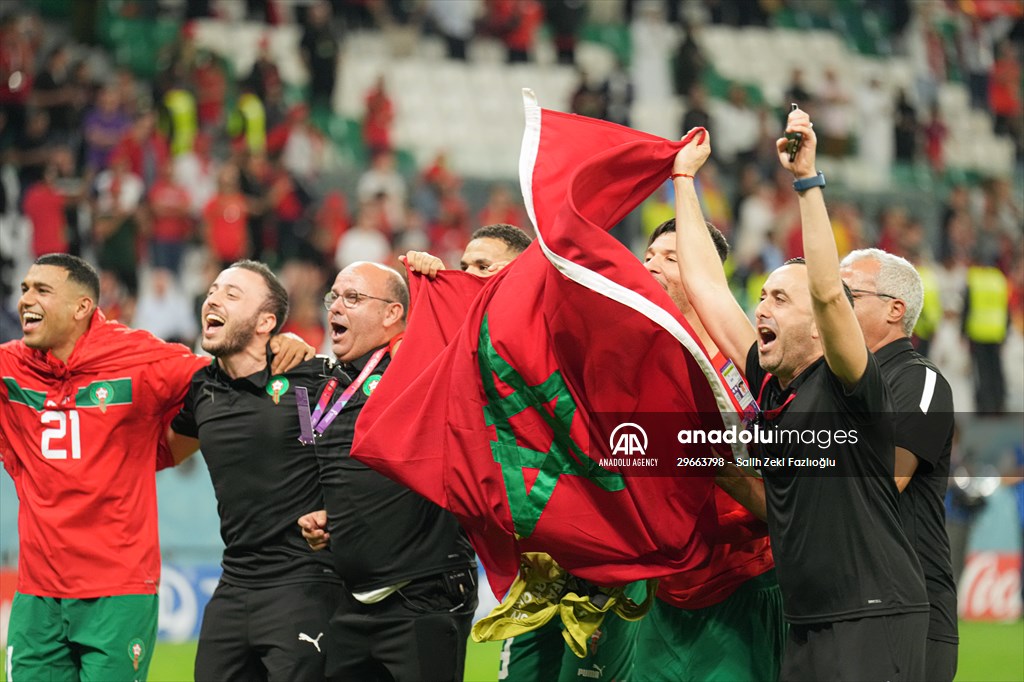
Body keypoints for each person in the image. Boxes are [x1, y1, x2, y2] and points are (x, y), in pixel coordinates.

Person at [673, 114, 928, 680]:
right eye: (763, 296)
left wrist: (807, 181)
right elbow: (706, 286)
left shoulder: (848, 384)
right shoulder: (771, 383)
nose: (762, 307)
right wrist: (684, 180)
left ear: (819, 328)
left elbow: (830, 295)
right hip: (807, 619)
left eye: (781, 300)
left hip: (873, 616)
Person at [0, 254, 311, 680]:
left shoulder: (139, 358)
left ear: (81, 307)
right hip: (36, 592)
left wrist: (274, 346)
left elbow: (222, 377)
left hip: (117, 590)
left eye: (42, 290)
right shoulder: (9, 368)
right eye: (24, 289)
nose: (26, 299)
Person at [298, 261, 478, 682]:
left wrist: (437, 282)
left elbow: (472, 339)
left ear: (392, 313)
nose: (336, 307)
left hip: (423, 593)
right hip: (351, 598)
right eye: (334, 297)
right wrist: (326, 516)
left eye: (353, 298)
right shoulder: (328, 385)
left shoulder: (419, 369)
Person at [168, 260, 342, 681]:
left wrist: (340, 515)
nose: (213, 299)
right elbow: (166, 453)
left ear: (266, 322)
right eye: (213, 290)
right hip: (233, 584)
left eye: (232, 294)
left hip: (306, 583)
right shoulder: (201, 389)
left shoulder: (310, 381)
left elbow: (365, 456)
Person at [635, 219, 785, 682]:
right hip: (661, 592)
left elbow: (785, 481)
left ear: (705, 272)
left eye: (671, 258)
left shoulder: (752, 364)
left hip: (741, 581)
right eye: (648, 256)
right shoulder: (633, 361)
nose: (651, 265)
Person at [840, 247, 958, 681]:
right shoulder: (830, 383)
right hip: (839, 606)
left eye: (848, 295)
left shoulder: (917, 380)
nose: (831, 305)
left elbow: (883, 483)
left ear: (895, 309)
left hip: (908, 611)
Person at [402, 222, 532, 278]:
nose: (468, 274)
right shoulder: (457, 314)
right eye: (464, 268)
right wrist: (438, 284)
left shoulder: (539, 320)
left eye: (483, 267)